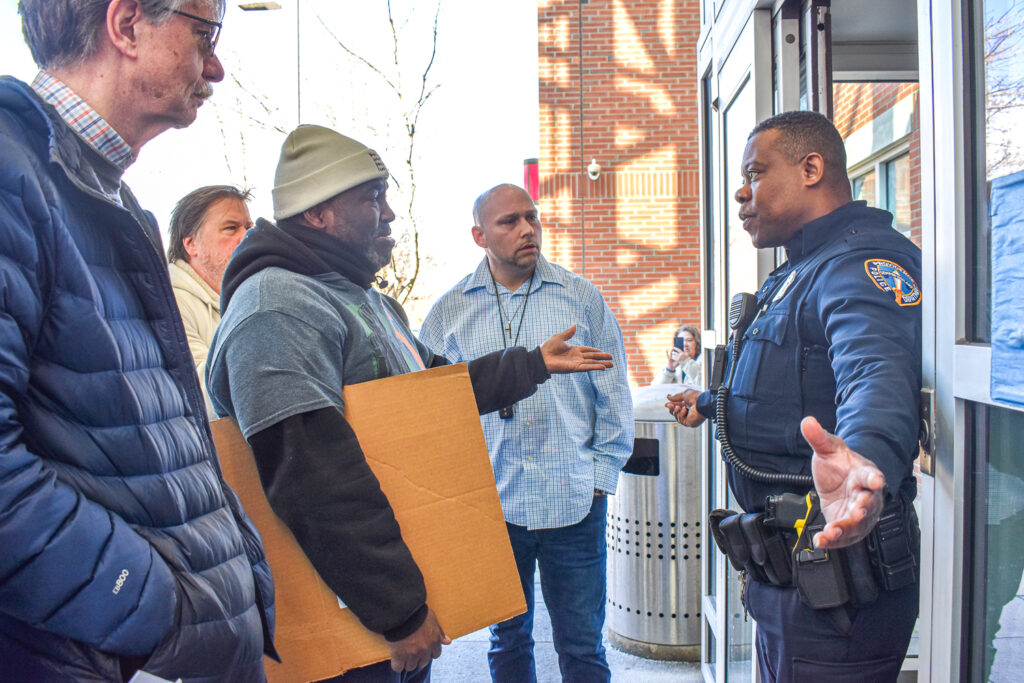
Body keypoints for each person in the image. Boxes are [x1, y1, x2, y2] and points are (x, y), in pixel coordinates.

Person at [206, 126, 615, 682]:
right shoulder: (278, 309)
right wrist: (400, 612)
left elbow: (437, 392)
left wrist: (532, 365)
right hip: (341, 624)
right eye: (372, 198)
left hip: (373, 613)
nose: (391, 214)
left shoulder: (365, 301)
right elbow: (314, 479)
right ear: (318, 214)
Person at [0, 1, 276, 682]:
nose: (213, 65)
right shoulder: (14, 175)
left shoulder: (104, 196)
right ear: (125, 26)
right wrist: (150, 606)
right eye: (202, 34)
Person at [666, 111, 921, 681]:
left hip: (838, 594)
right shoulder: (801, 270)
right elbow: (785, 392)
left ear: (811, 168)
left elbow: (876, 372)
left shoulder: (860, 264)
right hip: (792, 583)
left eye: (755, 172)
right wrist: (706, 406)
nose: (740, 190)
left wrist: (864, 462)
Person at [420, 183, 634, 683]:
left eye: (531, 218)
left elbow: (615, 398)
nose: (526, 230)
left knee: (582, 645)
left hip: (574, 502)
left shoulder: (581, 299)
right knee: (507, 641)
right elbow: (427, 410)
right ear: (479, 236)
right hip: (493, 508)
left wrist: (601, 477)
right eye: (509, 222)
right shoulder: (450, 312)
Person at [167, 184, 254, 415]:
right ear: (191, 244)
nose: (246, 236)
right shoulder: (170, 303)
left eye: (249, 226)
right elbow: (200, 397)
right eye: (230, 228)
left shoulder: (251, 294)